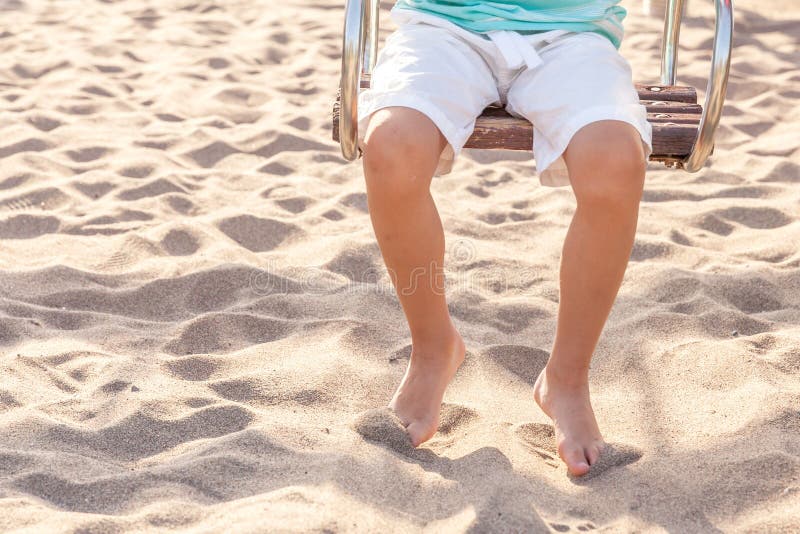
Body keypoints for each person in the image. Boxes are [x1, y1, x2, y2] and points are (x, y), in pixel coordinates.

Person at [356, 0, 653, 477]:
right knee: (392, 145)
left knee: (615, 160)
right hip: (443, 26)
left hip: (571, 34)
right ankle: (433, 349)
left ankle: (567, 378)